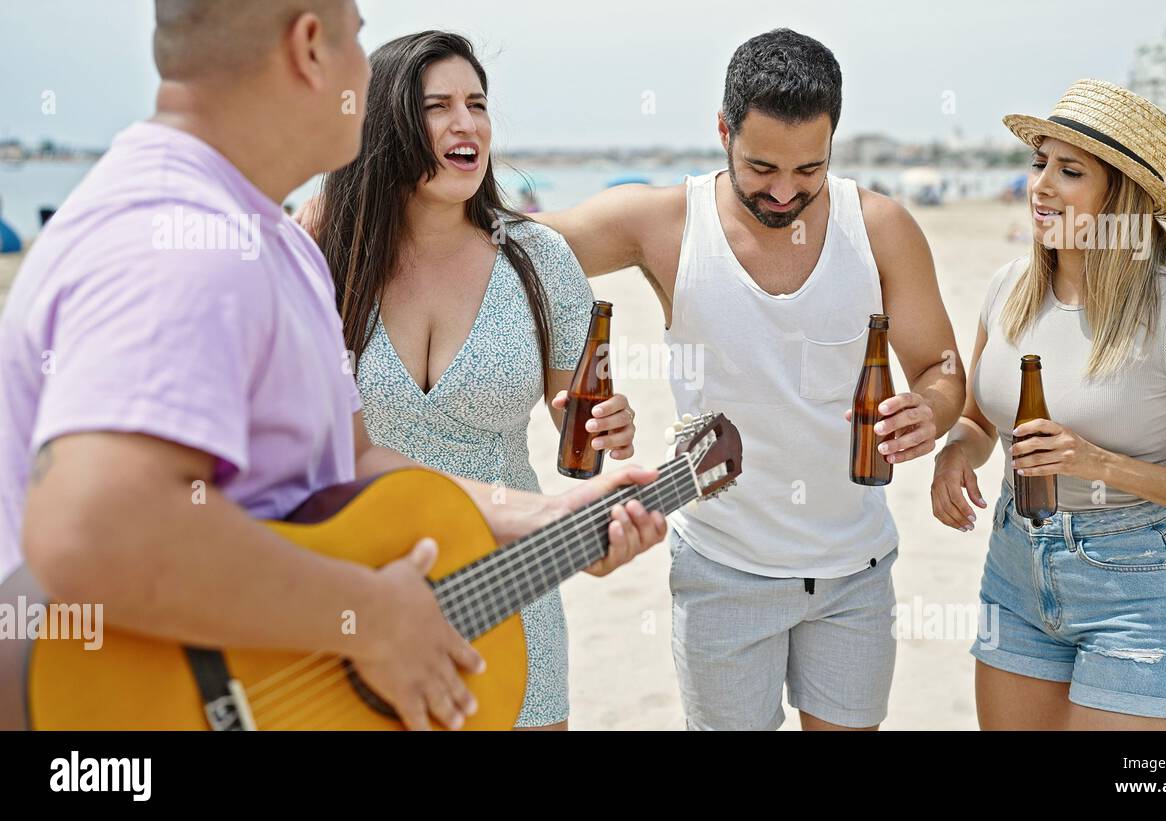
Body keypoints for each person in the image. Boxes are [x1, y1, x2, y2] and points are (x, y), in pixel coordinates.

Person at [0, 0, 666, 732]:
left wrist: (542, 513)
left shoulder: (274, 244)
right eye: (358, 36)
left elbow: (348, 462)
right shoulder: (188, 242)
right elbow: (94, 528)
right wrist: (370, 617)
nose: (366, 66)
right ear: (311, 47)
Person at [539, 28, 966, 730]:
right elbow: (509, 244)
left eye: (809, 171)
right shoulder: (664, 223)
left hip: (854, 573)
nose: (784, 192)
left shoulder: (882, 228)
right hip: (720, 570)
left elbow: (942, 368)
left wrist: (931, 406)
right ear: (722, 130)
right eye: (762, 167)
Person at [300, 31, 641, 731]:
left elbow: (576, 430)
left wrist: (606, 424)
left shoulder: (538, 258)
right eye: (438, 106)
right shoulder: (327, 251)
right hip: (366, 593)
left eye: (477, 103)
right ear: (388, 124)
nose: (468, 124)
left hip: (511, 584)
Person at [930, 79, 1166, 729]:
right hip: (1015, 575)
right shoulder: (1009, 288)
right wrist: (953, 454)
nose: (1041, 185)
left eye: (1070, 170)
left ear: (1121, 197)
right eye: (1039, 162)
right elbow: (976, 418)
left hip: (1134, 590)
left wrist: (1097, 463)